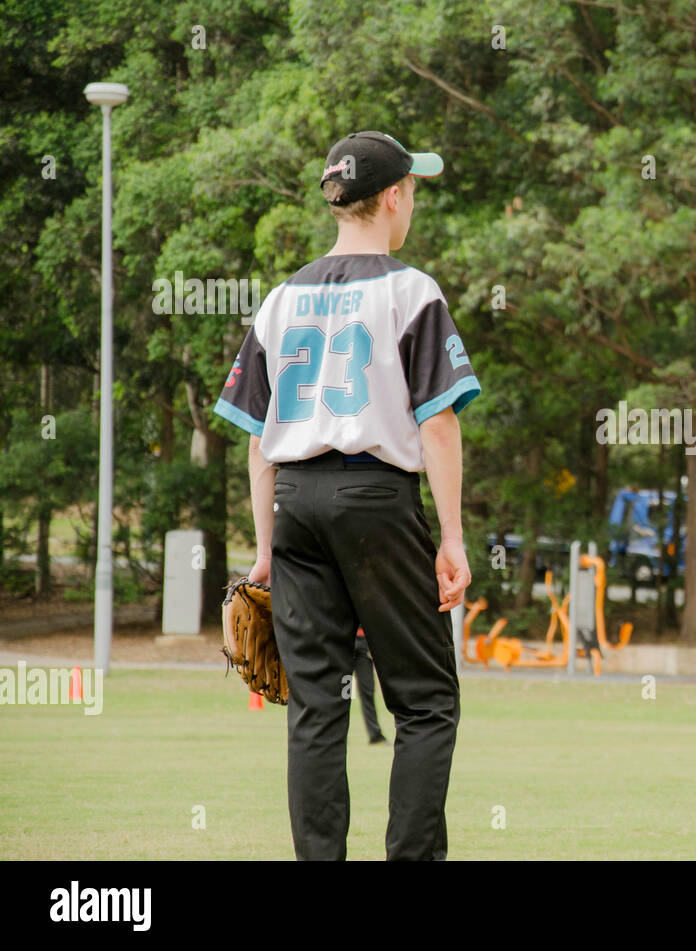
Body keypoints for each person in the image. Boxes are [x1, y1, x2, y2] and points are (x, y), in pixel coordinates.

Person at [214, 131, 479, 860]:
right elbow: (440, 424)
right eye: (413, 190)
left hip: (295, 500)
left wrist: (267, 545)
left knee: (314, 708)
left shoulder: (280, 299)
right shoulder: (411, 290)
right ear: (394, 197)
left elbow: (257, 437)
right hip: (377, 499)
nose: (412, 202)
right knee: (425, 702)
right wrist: (451, 537)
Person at [354, 627, 387, 746]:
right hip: (345, 644)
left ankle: (375, 736)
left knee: (367, 690)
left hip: (363, 645)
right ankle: (338, 734)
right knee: (344, 693)